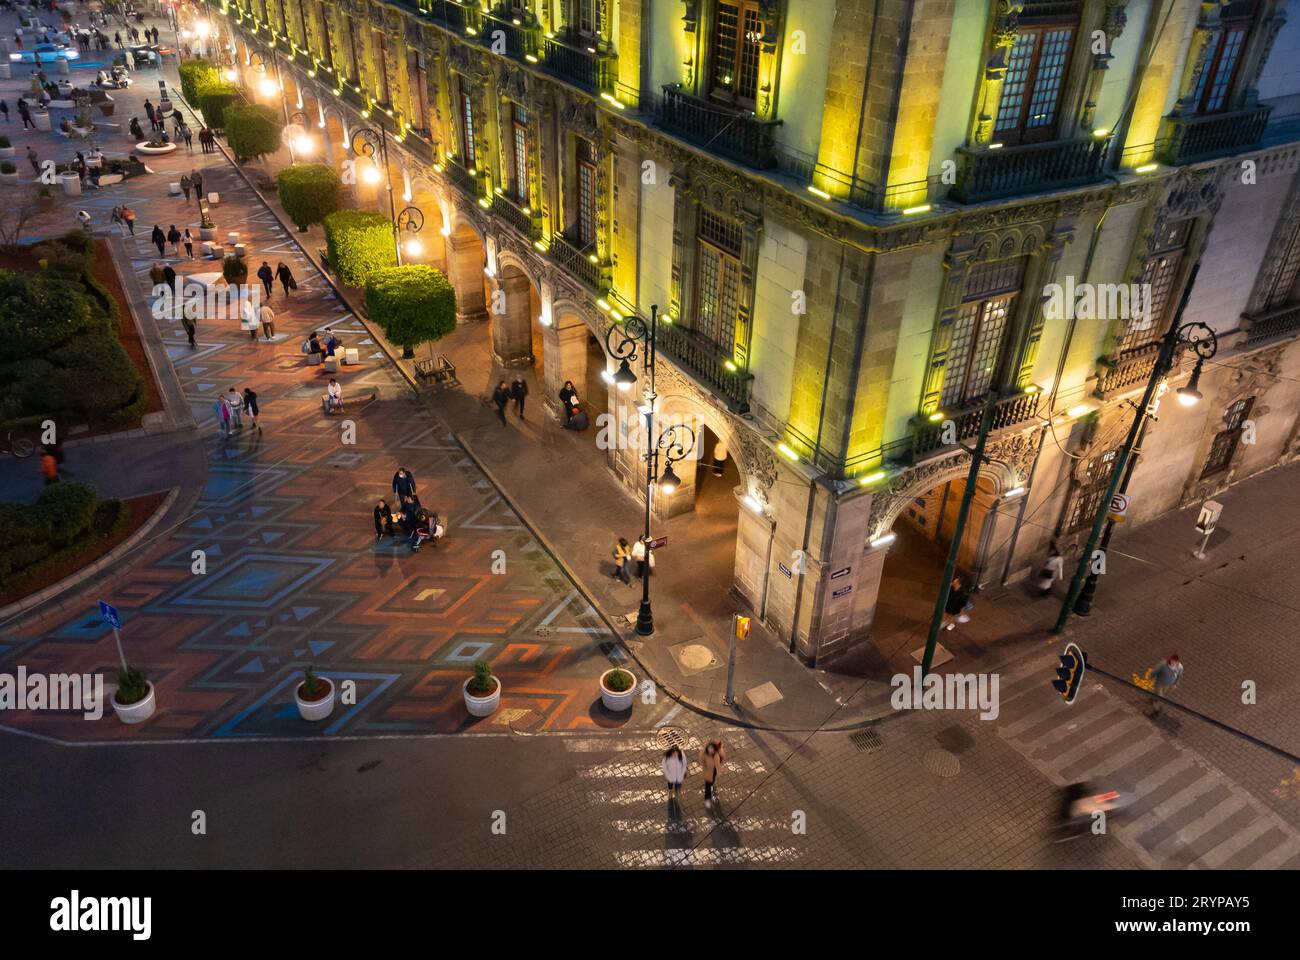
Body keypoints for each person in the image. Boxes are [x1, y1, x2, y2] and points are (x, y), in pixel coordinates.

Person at [701, 740, 725, 808]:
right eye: (709, 749)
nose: (710, 750)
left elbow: (721, 760)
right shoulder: (704, 754)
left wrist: (719, 770)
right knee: (707, 787)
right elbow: (701, 761)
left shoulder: (717, 754)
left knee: (712, 782)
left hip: (714, 771)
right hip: (708, 772)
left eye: (712, 749)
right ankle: (707, 800)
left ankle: (712, 787)